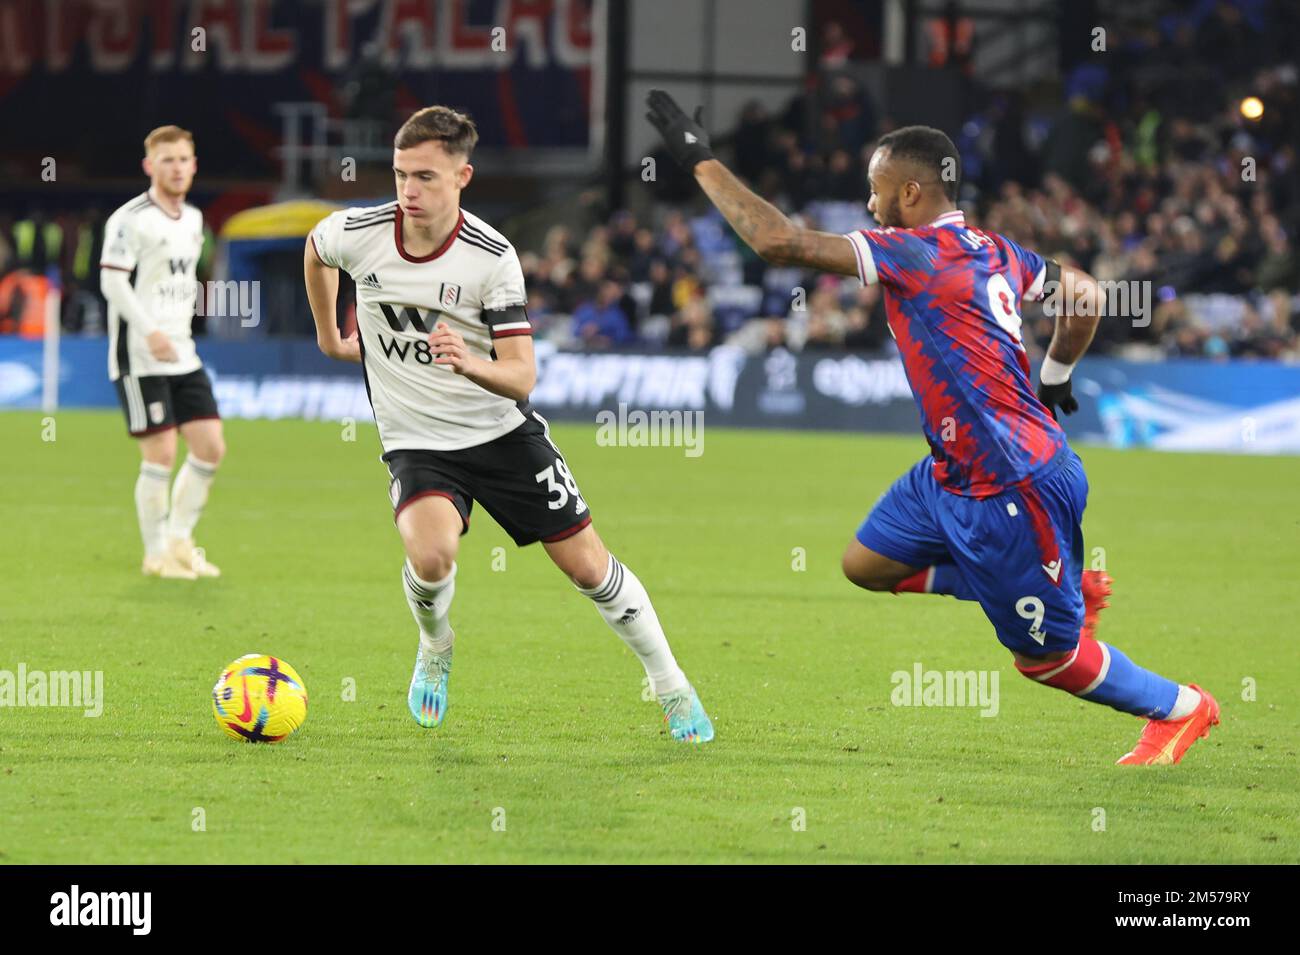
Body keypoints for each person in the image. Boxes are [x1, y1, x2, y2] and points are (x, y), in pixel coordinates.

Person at [647, 91, 1219, 765]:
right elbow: (1088, 294)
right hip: (952, 472)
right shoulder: (993, 248)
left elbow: (778, 241)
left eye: (876, 191)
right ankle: (1054, 582)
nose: (869, 205)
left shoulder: (913, 252)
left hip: (1013, 484)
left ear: (911, 192)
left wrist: (698, 158)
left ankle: (1181, 705)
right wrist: (1057, 373)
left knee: (1047, 660)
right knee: (866, 563)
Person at [304, 105, 713, 741]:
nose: (408, 191)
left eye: (426, 178)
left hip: (499, 433)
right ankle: (436, 645)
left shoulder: (489, 258)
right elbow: (316, 247)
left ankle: (671, 686)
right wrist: (331, 333)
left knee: (588, 569)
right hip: (416, 440)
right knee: (431, 552)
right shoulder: (360, 232)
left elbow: (522, 376)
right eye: (400, 174)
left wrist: (468, 363)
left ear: (462, 177)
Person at [100, 126, 224, 581]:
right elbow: (112, 282)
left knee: (210, 446)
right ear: (149, 166)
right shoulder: (129, 219)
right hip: (140, 354)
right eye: (166, 159)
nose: (176, 167)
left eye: (183, 159)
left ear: (194, 165)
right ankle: (155, 555)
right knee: (160, 455)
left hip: (182, 354)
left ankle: (179, 542)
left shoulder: (193, 220)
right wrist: (150, 331)